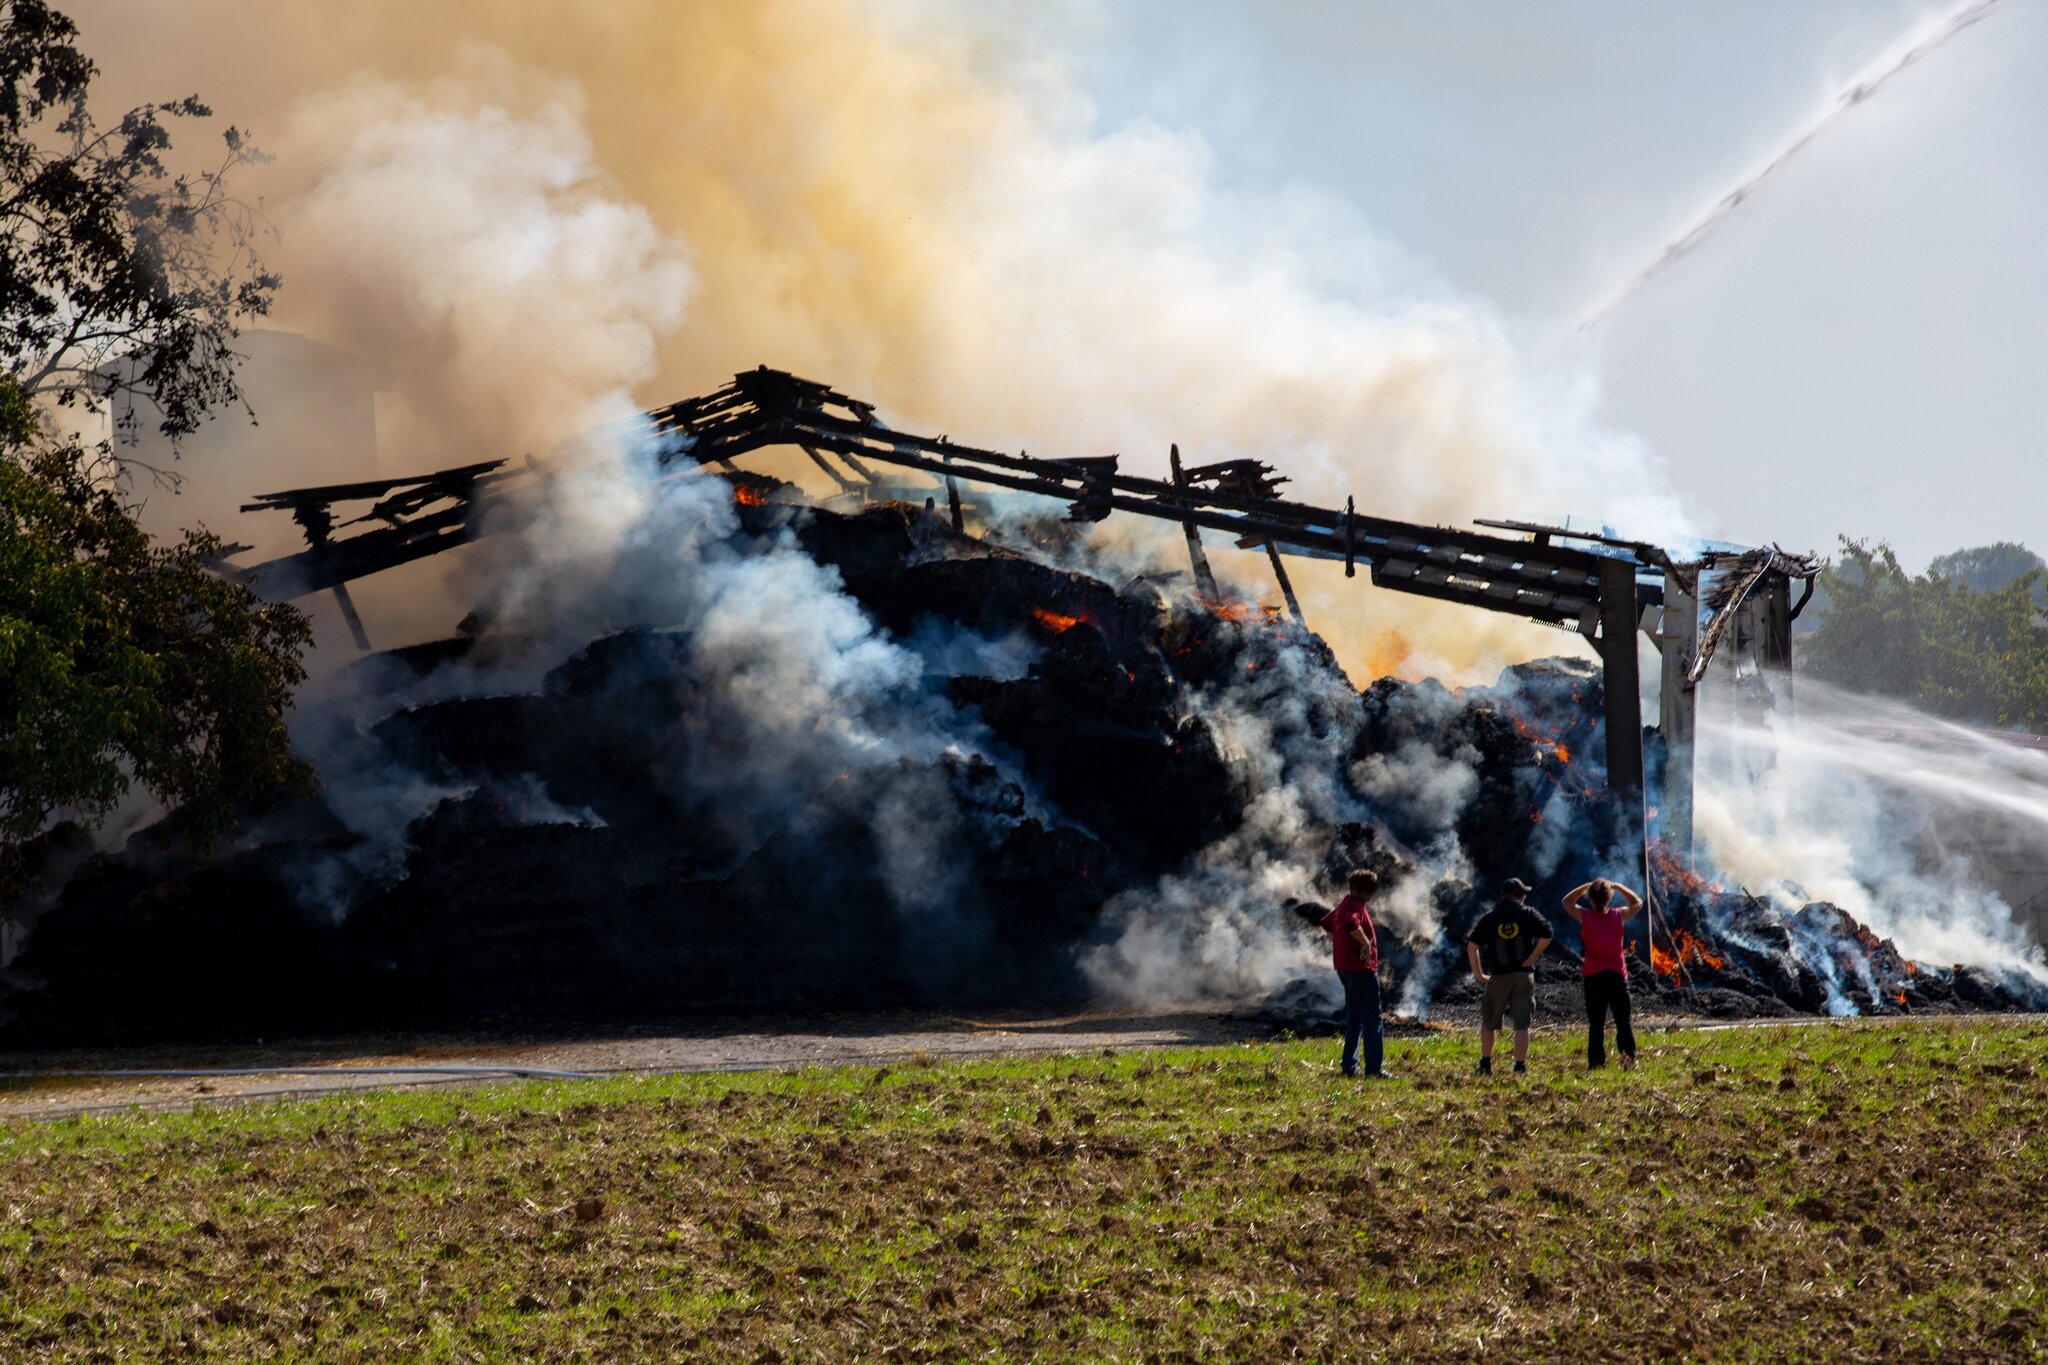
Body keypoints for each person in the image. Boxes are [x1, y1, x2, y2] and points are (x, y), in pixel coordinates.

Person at [1464, 878, 1552, 1075]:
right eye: (1524, 894)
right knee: (1522, 1025)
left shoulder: (1490, 917)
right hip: (1523, 975)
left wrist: (1479, 975)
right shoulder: (1528, 913)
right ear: (1520, 895)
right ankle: (1520, 1066)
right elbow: (1547, 933)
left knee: (1489, 1022)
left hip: (1498, 977)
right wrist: (1532, 958)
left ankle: (1486, 1064)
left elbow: (1472, 946)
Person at [1561, 878, 1643, 1070]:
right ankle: (1628, 1060)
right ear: (1609, 897)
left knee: (1596, 1023)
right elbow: (1638, 902)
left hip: (1593, 977)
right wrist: (1618, 886)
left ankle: (1596, 1063)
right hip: (1617, 977)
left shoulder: (1586, 917)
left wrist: (1584, 886)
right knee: (1623, 1021)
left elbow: (1566, 901)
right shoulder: (1618, 915)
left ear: (1590, 897)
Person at [1319, 869, 1388, 1079]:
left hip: (1344, 968)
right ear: (1370, 893)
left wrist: (1339, 942)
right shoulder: (1355, 907)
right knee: (1373, 1019)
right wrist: (1365, 943)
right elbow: (1351, 923)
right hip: (1361, 970)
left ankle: (1349, 1066)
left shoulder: (1343, 904)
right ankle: (1374, 1069)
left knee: (1355, 1018)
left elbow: (1325, 923)